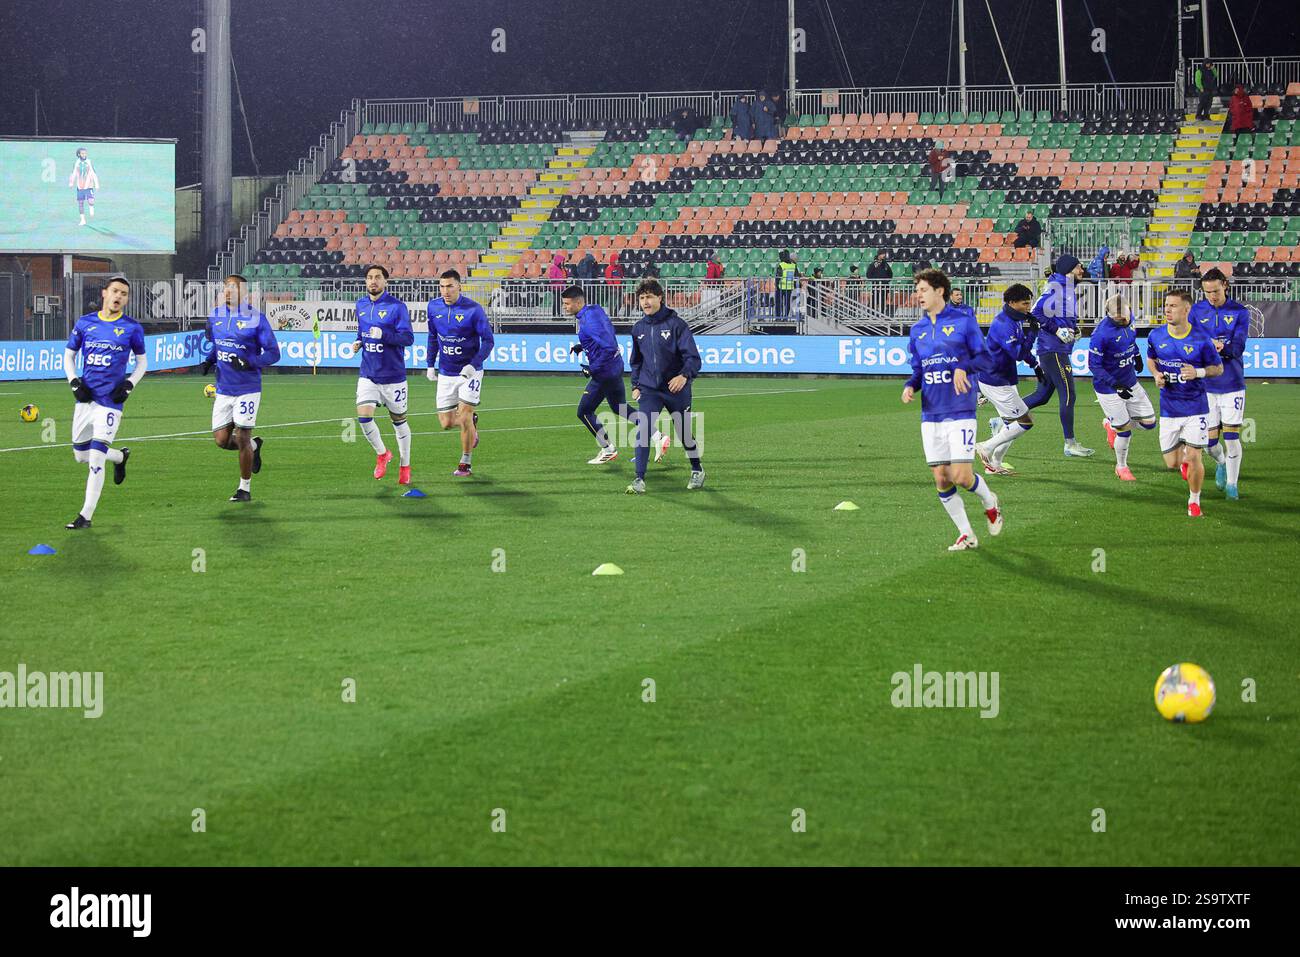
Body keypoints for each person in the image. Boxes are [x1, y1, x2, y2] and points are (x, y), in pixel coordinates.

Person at [902, 268, 1003, 551]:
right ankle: (966, 533)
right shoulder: (917, 330)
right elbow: (918, 368)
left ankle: (990, 501)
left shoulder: (964, 322)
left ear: (940, 291)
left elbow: (984, 359)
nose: (918, 295)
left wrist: (963, 367)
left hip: (960, 409)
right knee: (941, 478)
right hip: (930, 412)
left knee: (960, 475)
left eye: (923, 290)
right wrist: (911, 385)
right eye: (917, 290)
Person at [62, 276, 146, 528]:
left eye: (124, 294)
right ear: (104, 293)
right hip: (86, 399)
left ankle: (85, 515)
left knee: (96, 458)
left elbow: (142, 362)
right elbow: (69, 355)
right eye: (116, 291)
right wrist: (74, 382)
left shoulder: (132, 328)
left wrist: (129, 384)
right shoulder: (86, 323)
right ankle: (120, 457)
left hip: (111, 403)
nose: (119, 297)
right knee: (80, 455)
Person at [199, 275, 281, 503]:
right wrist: (209, 360)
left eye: (234, 288)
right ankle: (255, 446)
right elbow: (218, 344)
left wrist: (250, 362)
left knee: (242, 436)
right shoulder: (215, 316)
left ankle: (244, 489)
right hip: (223, 388)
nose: (228, 291)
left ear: (244, 293)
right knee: (221, 441)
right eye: (226, 287)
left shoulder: (256, 318)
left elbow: (274, 353)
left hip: (248, 388)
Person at [1146, 290, 1223, 517]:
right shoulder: (1156, 336)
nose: (1167, 310)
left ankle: (1194, 501)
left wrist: (1197, 372)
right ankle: (1183, 465)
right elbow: (1151, 359)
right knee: (1171, 463)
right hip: (1169, 408)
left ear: (1187, 309)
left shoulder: (1201, 339)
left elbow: (1218, 368)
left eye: (1173, 306)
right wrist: (1156, 375)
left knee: (1194, 455)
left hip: (1195, 407)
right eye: (1166, 306)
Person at [626, 278, 704, 494]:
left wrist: (684, 376)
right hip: (650, 390)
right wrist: (635, 384)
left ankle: (697, 469)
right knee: (643, 430)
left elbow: (693, 359)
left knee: (684, 431)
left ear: (660, 297)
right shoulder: (638, 328)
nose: (645, 302)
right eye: (642, 298)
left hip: (676, 388)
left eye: (649, 297)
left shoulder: (677, 325)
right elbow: (636, 361)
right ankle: (639, 479)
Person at [1023, 254, 1095, 457]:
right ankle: (1070, 443)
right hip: (1053, 350)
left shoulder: (1066, 287)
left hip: (1055, 349)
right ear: (1069, 270)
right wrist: (1056, 330)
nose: (1082, 270)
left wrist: (1073, 328)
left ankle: (1004, 418)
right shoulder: (1058, 288)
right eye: (1079, 267)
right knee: (1069, 394)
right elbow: (1036, 313)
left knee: (1042, 396)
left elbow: (1059, 314)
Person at [426, 269, 493, 477]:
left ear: (459, 286)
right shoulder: (433, 307)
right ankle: (471, 423)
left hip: (470, 372)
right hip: (446, 372)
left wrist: (473, 365)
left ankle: (465, 463)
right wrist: (430, 364)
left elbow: (488, 341)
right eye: (442, 286)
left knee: (463, 416)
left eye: (450, 286)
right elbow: (432, 337)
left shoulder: (474, 310)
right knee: (446, 423)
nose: (446, 291)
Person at [1190, 268, 1251, 499]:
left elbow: (1238, 347)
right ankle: (1222, 463)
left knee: (1232, 437)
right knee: (1210, 442)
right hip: (1206, 385)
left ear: (1225, 285)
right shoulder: (1196, 311)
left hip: (1232, 383)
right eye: (1207, 292)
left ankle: (1233, 486)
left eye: (1215, 291)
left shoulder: (1239, 312)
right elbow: (1191, 342)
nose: (1212, 296)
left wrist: (1222, 347)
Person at [354, 264, 415, 485]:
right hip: (368, 373)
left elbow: (408, 338)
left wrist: (384, 335)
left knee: (398, 421)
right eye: (369, 277)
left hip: (393, 376)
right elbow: (362, 330)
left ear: (385, 281)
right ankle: (382, 454)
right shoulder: (360, 304)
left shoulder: (397, 307)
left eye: (377, 277)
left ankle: (404, 465)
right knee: (363, 417)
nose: (373, 281)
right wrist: (359, 342)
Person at [562, 285, 635, 464]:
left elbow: (609, 346)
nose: (564, 307)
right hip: (616, 367)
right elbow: (606, 333)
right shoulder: (595, 310)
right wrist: (583, 346)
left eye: (567, 304)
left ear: (578, 302)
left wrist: (592, 369)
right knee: (620, 408)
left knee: (584, 411)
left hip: (604, 372)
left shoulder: (587, 323)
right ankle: (657, 435)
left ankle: (608, 448)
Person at [1091, 295, 1158, 482]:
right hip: (1108, 388)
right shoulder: (1101, 335)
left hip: (1129, 380)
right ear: (1109, 315)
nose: (1125, 319)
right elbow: (1094, 366)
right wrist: (1115, 384)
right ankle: (1121, 466)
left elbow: (1131, 338)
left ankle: (1110, 424)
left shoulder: (1130, 319)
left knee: (1150, 423)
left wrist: (1136, 354)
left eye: (1127, 315)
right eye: (1119, 317)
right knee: (1125, 431)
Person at [973, 284, 1038, 476]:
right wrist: (1032, 333)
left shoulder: (1015, 319)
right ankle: (985, 447)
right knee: (1025, 422)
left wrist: (1035, 364)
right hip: (995, 381)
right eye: (1025, 303)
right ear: (1012, 303)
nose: (1029, 307)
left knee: (1012, 426)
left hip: (1004, 379)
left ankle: (995, 464)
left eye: (1029, 303)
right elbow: (1017, 353)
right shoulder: (1004, 324)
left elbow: (1021, 351)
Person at [68, 147, 100, 227]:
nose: (84, 155)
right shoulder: (76, 163)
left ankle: (91, 207)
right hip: (80, 187)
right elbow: (73, 173)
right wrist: (71, 182)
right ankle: (82, 220)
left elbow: (93, 173)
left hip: (89, 186)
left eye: (85, 153)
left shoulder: (89, 162)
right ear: (79, 154)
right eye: (82, 153)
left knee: (91, 201)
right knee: (80, 203)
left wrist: (96, 184)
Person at [775, 250, 798, 318]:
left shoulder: (781, 265)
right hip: (789, 287)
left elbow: (778, 276)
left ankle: (778, 317)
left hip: (781, 286)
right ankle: (786, 317)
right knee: (787, 303)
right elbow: (796, 275)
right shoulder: (794, 265)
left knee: (779, 303)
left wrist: (776, 284)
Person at [604, 251, 625, 317]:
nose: (617, 261)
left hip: (619, 287)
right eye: (616, 259)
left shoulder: (619, 267)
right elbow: (608, 279)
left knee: (621, 301)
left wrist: (621, 283)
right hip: (613, 288)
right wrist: (613, 286)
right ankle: (612, 315)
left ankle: (615, 314)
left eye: (618, 259)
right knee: (612, 302)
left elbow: (621, 276)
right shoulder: (609, 268)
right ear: (613, 260)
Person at [547, 252, 568, 316]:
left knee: (559, 301)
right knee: (556, 301)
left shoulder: (562, 268)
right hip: (556, 287)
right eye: (561, 261)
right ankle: (555, 314)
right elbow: (552, 277)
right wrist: (560, 280)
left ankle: (558, 313)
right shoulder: (554, 268)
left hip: (561, 287)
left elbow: (564, 276)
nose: (562, 262)